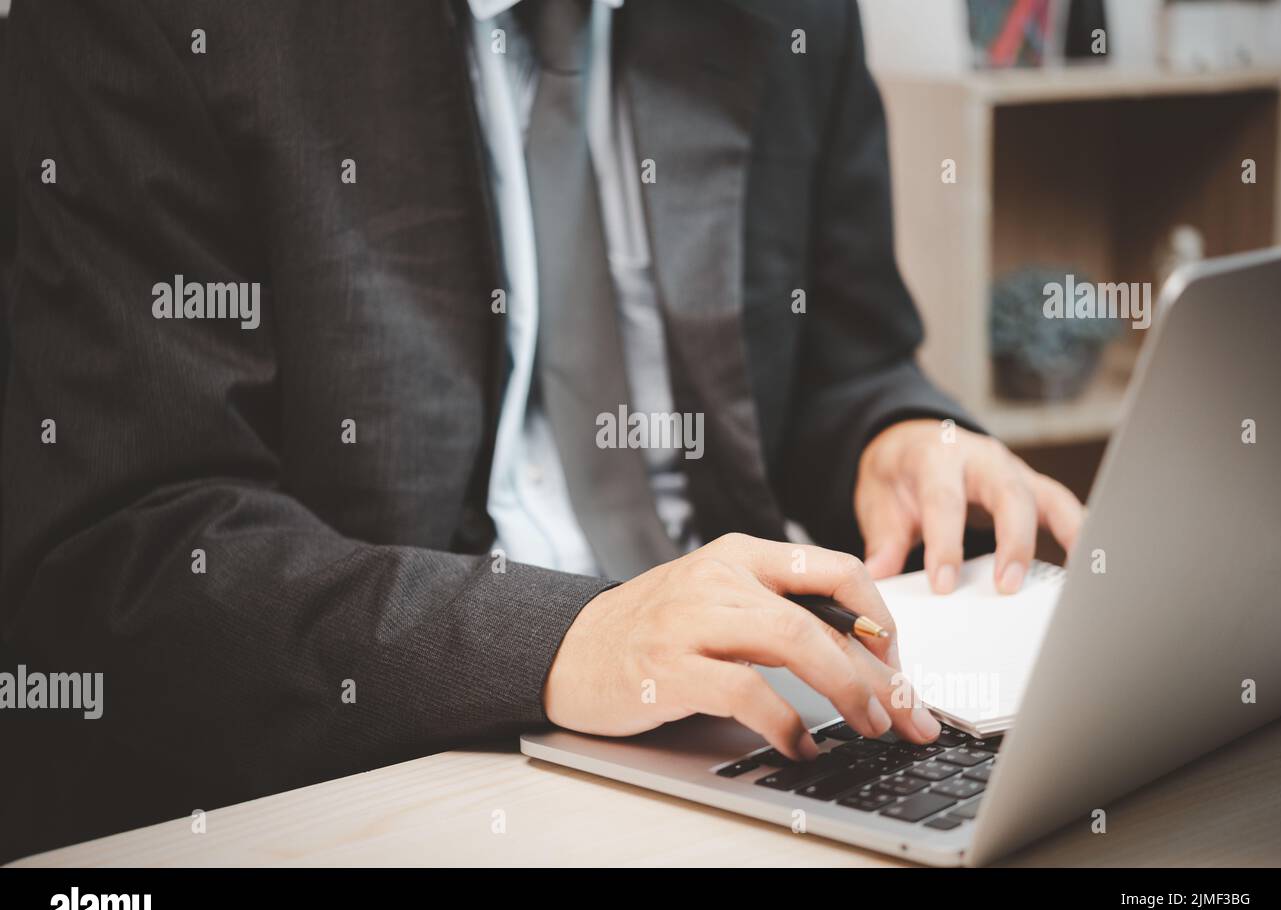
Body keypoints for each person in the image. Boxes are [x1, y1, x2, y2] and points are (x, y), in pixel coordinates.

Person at [0, 0, 1081, 860]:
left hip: (746, 726)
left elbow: (844, 354)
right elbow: (133, 551)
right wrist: (567, 637)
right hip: (389, 757)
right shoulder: (142, 21)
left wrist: (893, 431)